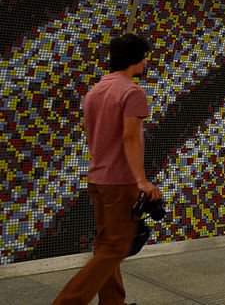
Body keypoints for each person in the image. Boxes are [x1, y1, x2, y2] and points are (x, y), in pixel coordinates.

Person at [55, 34, 161, 305]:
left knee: (107, 245)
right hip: (119, 181)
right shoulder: (132, 92)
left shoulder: (96, 91)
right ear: (136, 59)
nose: (146, 62)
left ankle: (113, 302)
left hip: (98, 179)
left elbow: (93, 133)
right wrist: (141, 180)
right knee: (115, 247)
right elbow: (130, 137)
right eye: (145, 57)